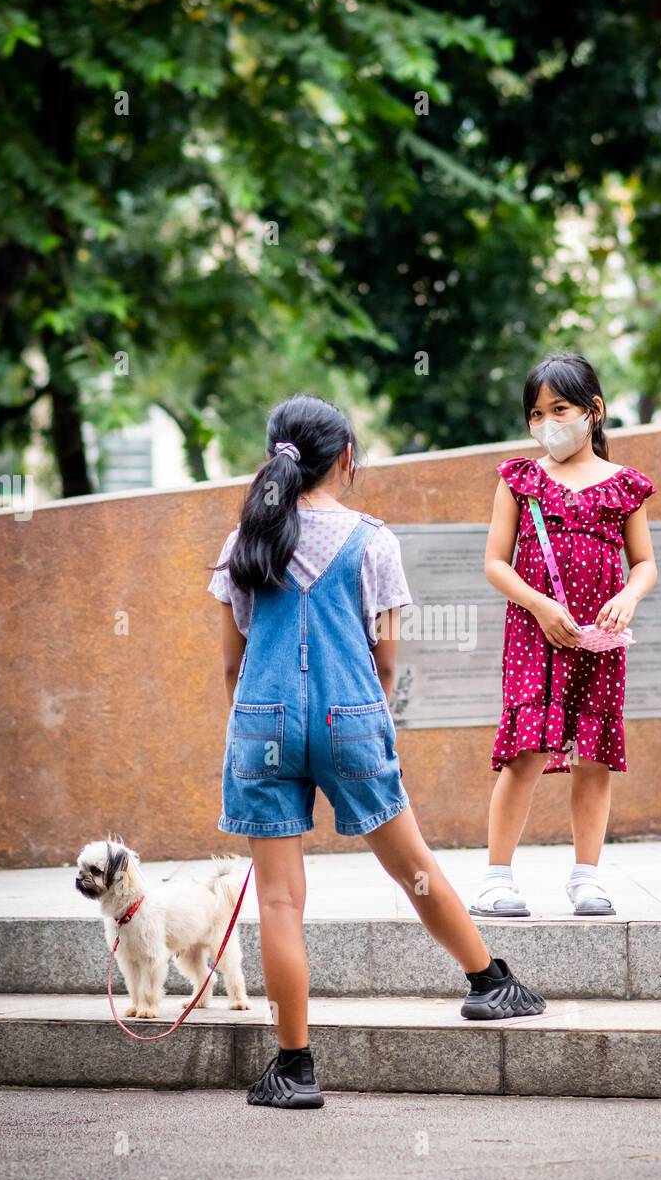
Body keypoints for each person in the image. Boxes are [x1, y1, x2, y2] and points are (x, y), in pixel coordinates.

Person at [208, 393, 545, 1110]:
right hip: (351, 718)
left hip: (262, 724)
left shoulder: (245, 542)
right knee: (414, 868)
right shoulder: (375, 543)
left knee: (278, 901)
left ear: (277, 457)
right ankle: (490, 982)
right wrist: (365, 720)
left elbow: (232, 666)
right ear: (347, 459)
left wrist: (259, 725)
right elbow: (386, 663)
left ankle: (294, 1068)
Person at [473, 354, 658, 921]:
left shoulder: (624, 486)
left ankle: (587, 877)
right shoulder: (521, 480)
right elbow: (495, 564)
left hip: (598, 642)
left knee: (593, 756)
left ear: (593, 411)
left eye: (561, 409)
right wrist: (541, 604)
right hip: (536, 636)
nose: (548, 422)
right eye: (536, 412)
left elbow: (645, 563)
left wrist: (628, 597)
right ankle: (496, 879)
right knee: (525, 752)